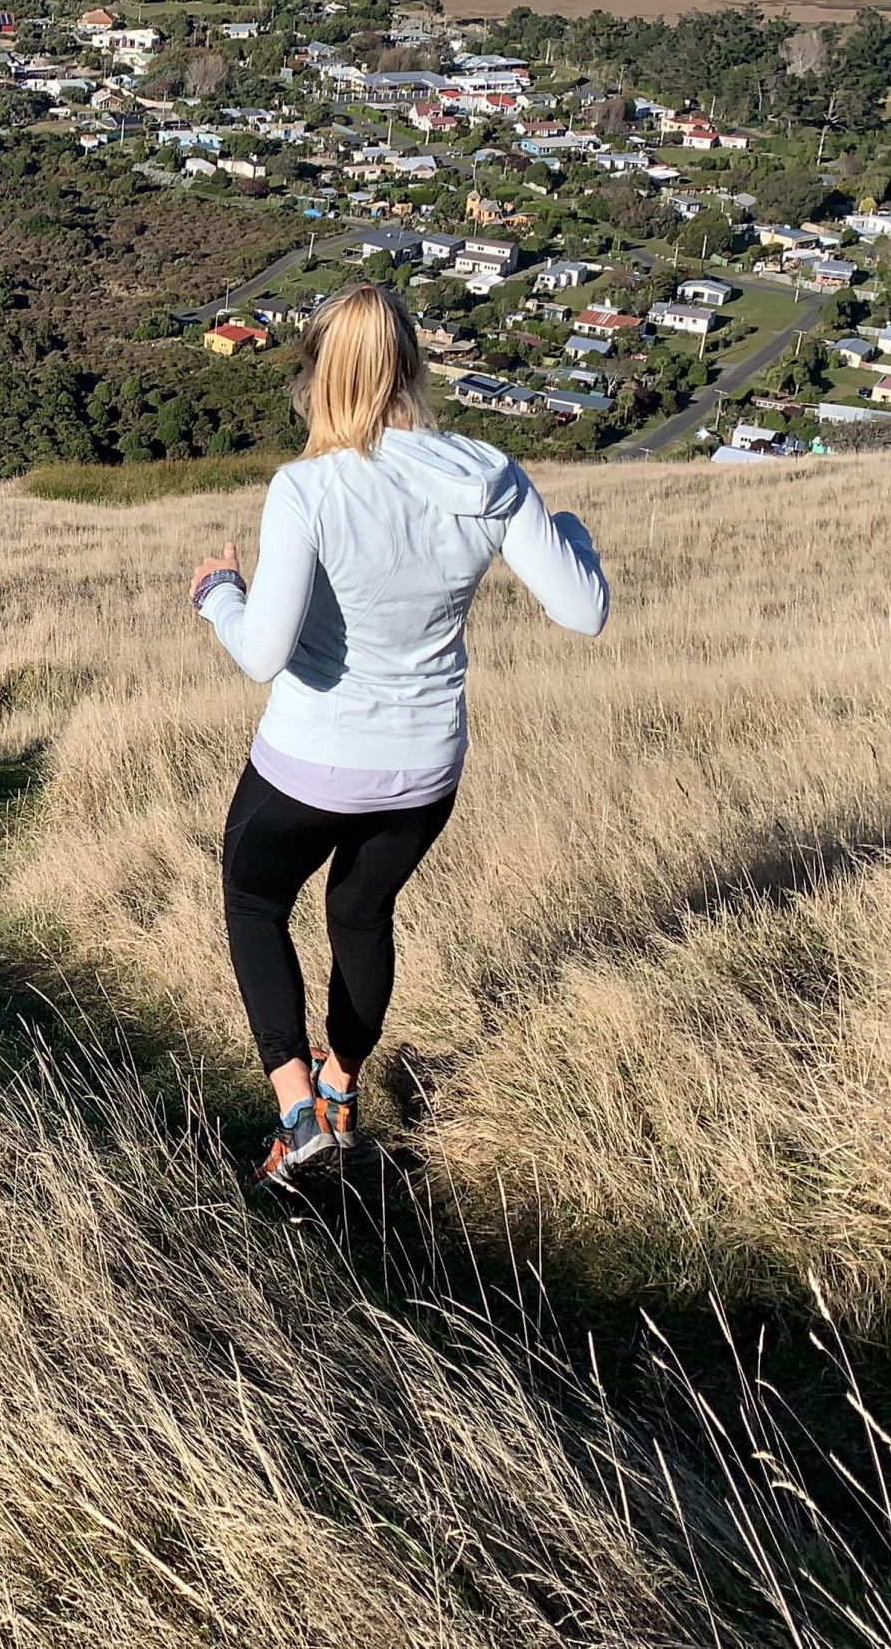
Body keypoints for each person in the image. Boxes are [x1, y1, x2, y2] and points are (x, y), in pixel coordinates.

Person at [190, 286, 608, 1188]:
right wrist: (571, 533)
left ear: (318, 380)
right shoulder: (487, 474)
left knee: (256, 904)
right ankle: (342, 1088)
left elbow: (262, 653)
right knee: (362, 916)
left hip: (306, 762)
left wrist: (215, 591)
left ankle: (299, 1115)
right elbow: (584, 610)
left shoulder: (307, 487)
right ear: (414, 367)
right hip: (422, 770)